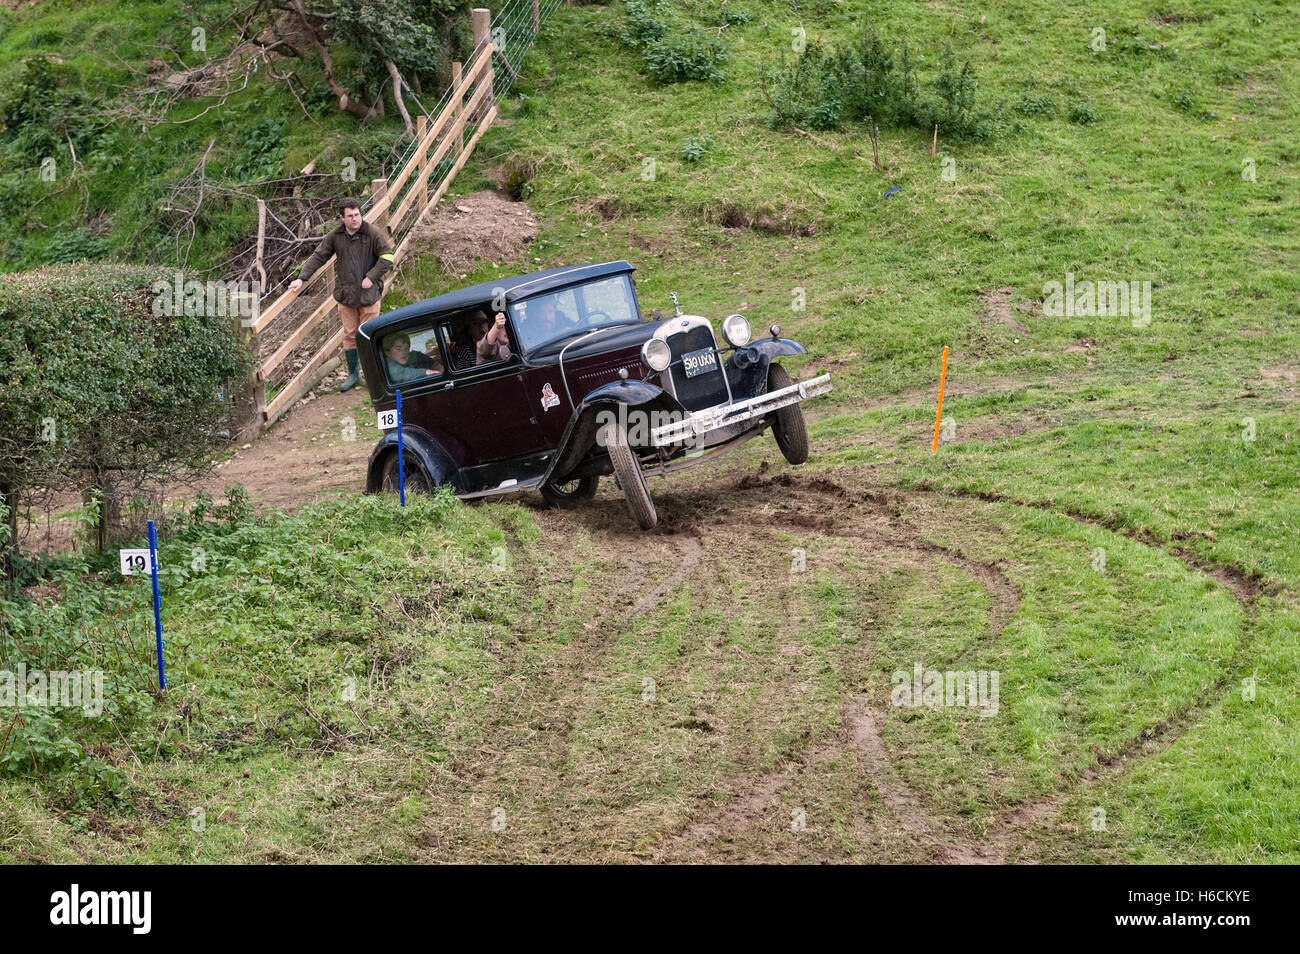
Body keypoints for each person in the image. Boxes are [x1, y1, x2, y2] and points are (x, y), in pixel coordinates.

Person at [287, 198, 395, 392]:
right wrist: (302, 278)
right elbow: (319, 256)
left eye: (357, 214)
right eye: (350, 216)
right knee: (350, 335)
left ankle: (376, 376)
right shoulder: (335, 236)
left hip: (369, 295)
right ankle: (354, 375)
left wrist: (371, 276)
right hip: (346, 295)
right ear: (342, 218)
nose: (355, 219)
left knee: (369, 334)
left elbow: (388, 256)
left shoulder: (372, 232)